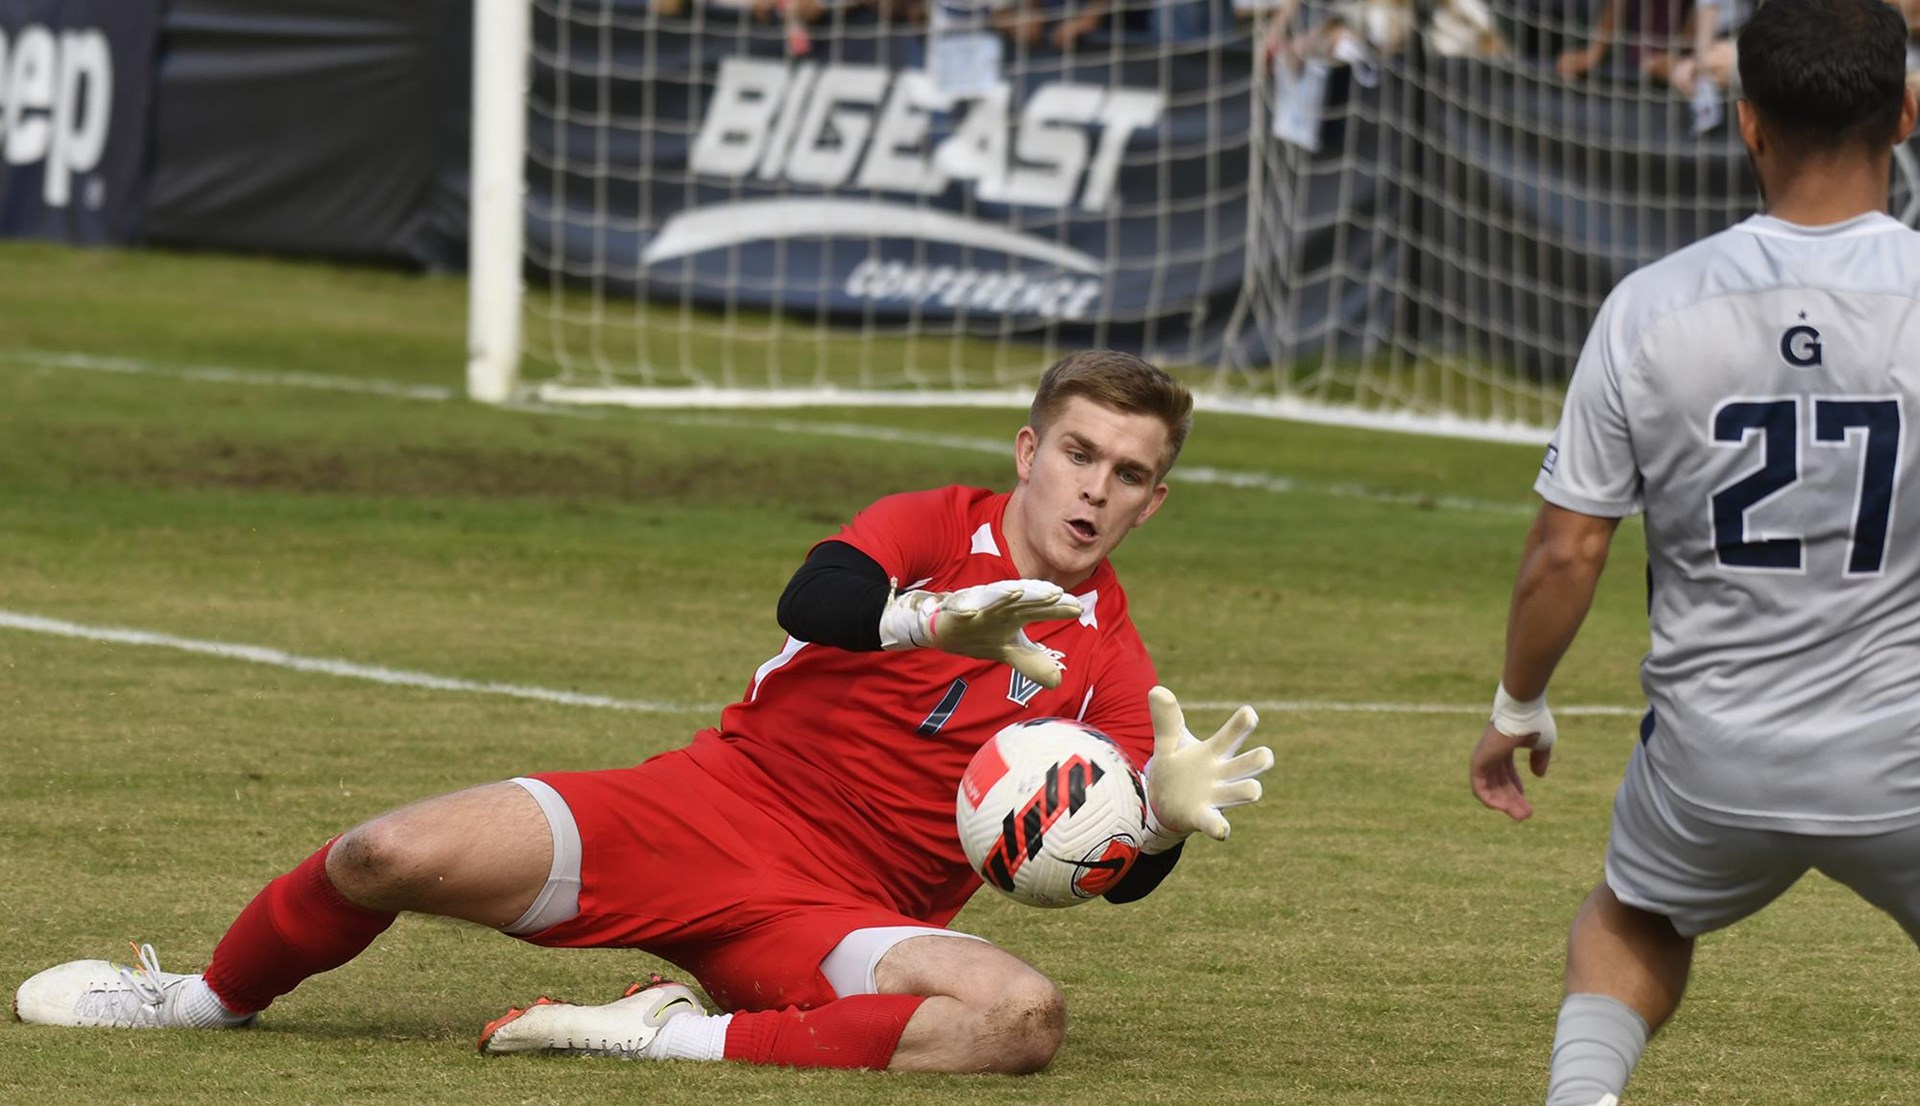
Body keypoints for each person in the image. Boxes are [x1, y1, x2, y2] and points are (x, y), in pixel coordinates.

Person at [14, 349, 1275, 1076]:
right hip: (699, 808)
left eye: (1130, 473)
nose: (1096, 487)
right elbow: (817, 592)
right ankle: (191, 1001)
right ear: (1027, 449)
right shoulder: (931, 527)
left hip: (842, 916)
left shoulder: (1114, 664)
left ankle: (660, 1033)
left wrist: (1157, 821)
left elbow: (1094, 862)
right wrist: (929, 620)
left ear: (1153, 502)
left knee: (1020, 1018)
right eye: (1079, 453)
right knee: (381, 853)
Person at [1469, 2, 1920, 1104]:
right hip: (1907, 755)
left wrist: (1517, 703)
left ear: (1746, 122)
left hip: (1713, 760)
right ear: (1907, 113)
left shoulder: (1650, 306)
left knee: (1632, 918)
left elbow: (1566, 551)